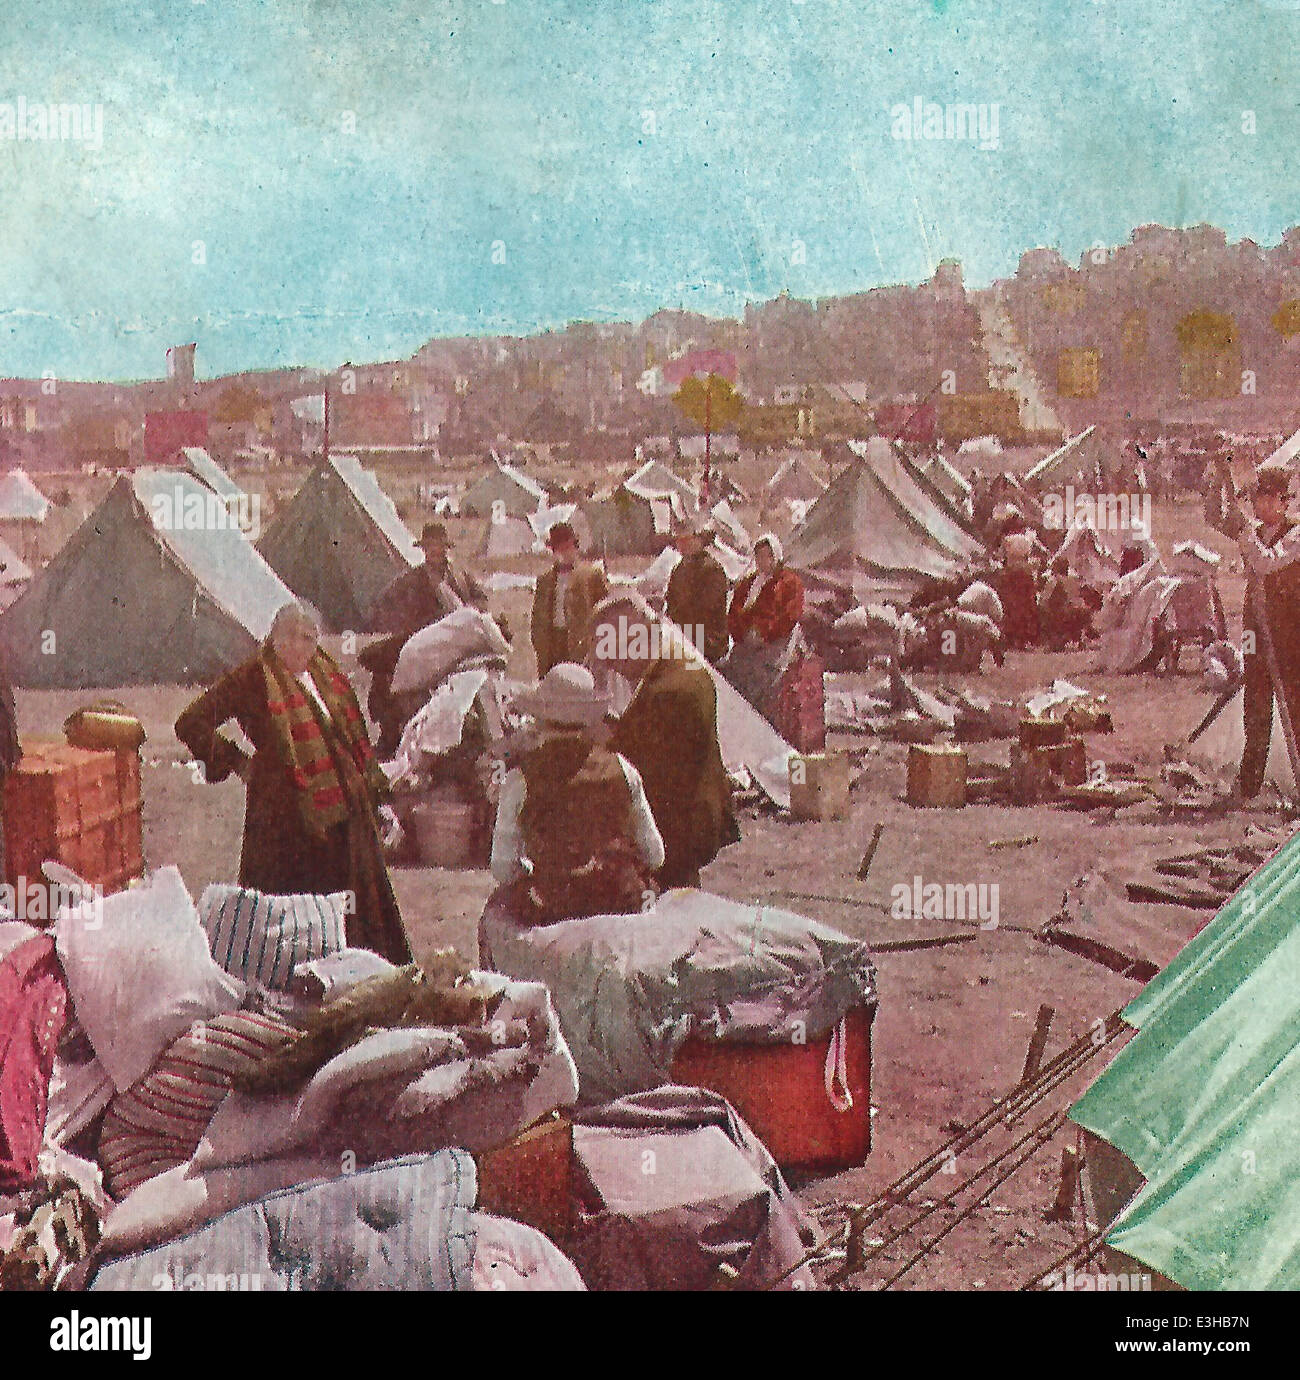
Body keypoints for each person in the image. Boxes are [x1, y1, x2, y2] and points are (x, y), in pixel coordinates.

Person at [175, 601, 412, 964]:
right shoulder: (253, 678)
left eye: (308, 637)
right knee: (291, 927)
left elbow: (352, 737)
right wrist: (238, 762)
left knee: (357, 921)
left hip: (346, 818)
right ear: (274, 637)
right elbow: (191, 721)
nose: (300, 646)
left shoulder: (324, 674)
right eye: (290, 636)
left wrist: (374, 798)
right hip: (287, 824)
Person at [490, 663, 664, 924]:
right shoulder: (623, 769)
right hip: (620, 902)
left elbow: (503, 869)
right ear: (589, 720)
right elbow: (655, 854)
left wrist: (534, 870)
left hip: (556, 906)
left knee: (495, 910)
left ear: (541, 719)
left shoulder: (520, 778)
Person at [593, 592, 739, 889]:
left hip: (677, 827)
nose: (613, 667)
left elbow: (648, 767)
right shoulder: (679, 667)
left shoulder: (669, 690)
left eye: (613, 656)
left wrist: (605, 744)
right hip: (691, 817)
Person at [1207, 463, 1300, 798]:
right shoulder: (1254, 532)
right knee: (1256, 703)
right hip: (1254, 627)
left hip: (1289, 629)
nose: (1261, 506)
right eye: (1257, 499)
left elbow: (1265, 562)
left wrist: (1245, 532)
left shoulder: (1294, 533)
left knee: (1295, 704)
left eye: (1268, 499)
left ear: (1284, 501)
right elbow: (1216, 518)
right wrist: (1219, 482)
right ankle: (1248, 785)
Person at [363, 522, 492, 755]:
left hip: (459, 640)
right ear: (424, 550)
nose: (435, 551)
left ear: (445, 548)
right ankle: (394, 734)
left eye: (439, 546)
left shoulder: (459, 575)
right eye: (430, 546)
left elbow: (481, 600)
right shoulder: (413, 579)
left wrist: (467, 614)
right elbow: (387, 605)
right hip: (426, 641)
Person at [725, 533, 804, 716]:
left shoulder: (790, 583)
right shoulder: (749, 583)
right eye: (759, 556)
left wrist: (764, 633)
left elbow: (789, 616)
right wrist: (741, 632)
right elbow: (734, 611)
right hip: (746, 642)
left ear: (775, 556)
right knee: (735, 672)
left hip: (773, 644)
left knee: (761, 680)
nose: (762, 561)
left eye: (766, 556)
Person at [530, 522, 609, 677]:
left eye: (568, 547)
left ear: (575, 547)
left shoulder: (591, 575)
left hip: (580, 644)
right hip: (552, 642)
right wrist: (540, 645)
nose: (565, 553)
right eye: (560, 549)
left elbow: (605, 611)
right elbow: (537, 618)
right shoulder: (545, 580)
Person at [665, 512, 730, 663]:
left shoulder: (712, 569)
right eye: (679, 541)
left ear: (698, 539)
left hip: (707, 641)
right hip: (685, 637)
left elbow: (705, 609)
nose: (682, 545)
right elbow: (671, 602)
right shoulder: (679, 569)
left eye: (686, 539)